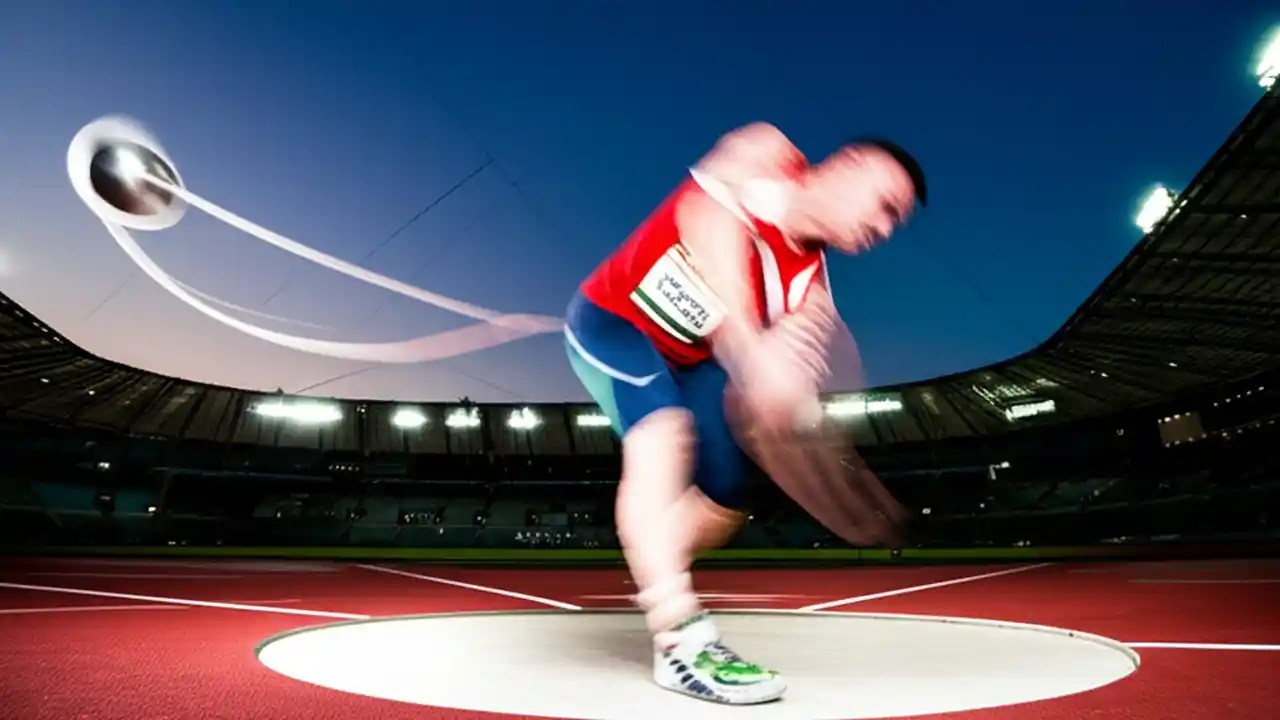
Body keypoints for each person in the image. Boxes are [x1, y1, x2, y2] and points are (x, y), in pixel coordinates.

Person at [563, 122, 926, 704]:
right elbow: (705, 219)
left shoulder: (811, 299)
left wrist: (785, 403)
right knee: (664, 434)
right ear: (849, 165)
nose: (883, 230)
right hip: (615, 324)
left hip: (698, 358)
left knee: (727, 497)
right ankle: (680, 636)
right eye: (884, 206)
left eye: (894, 223)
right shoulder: (768, 151)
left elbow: (786, 383)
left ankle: (652, 557)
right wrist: (752, 350)